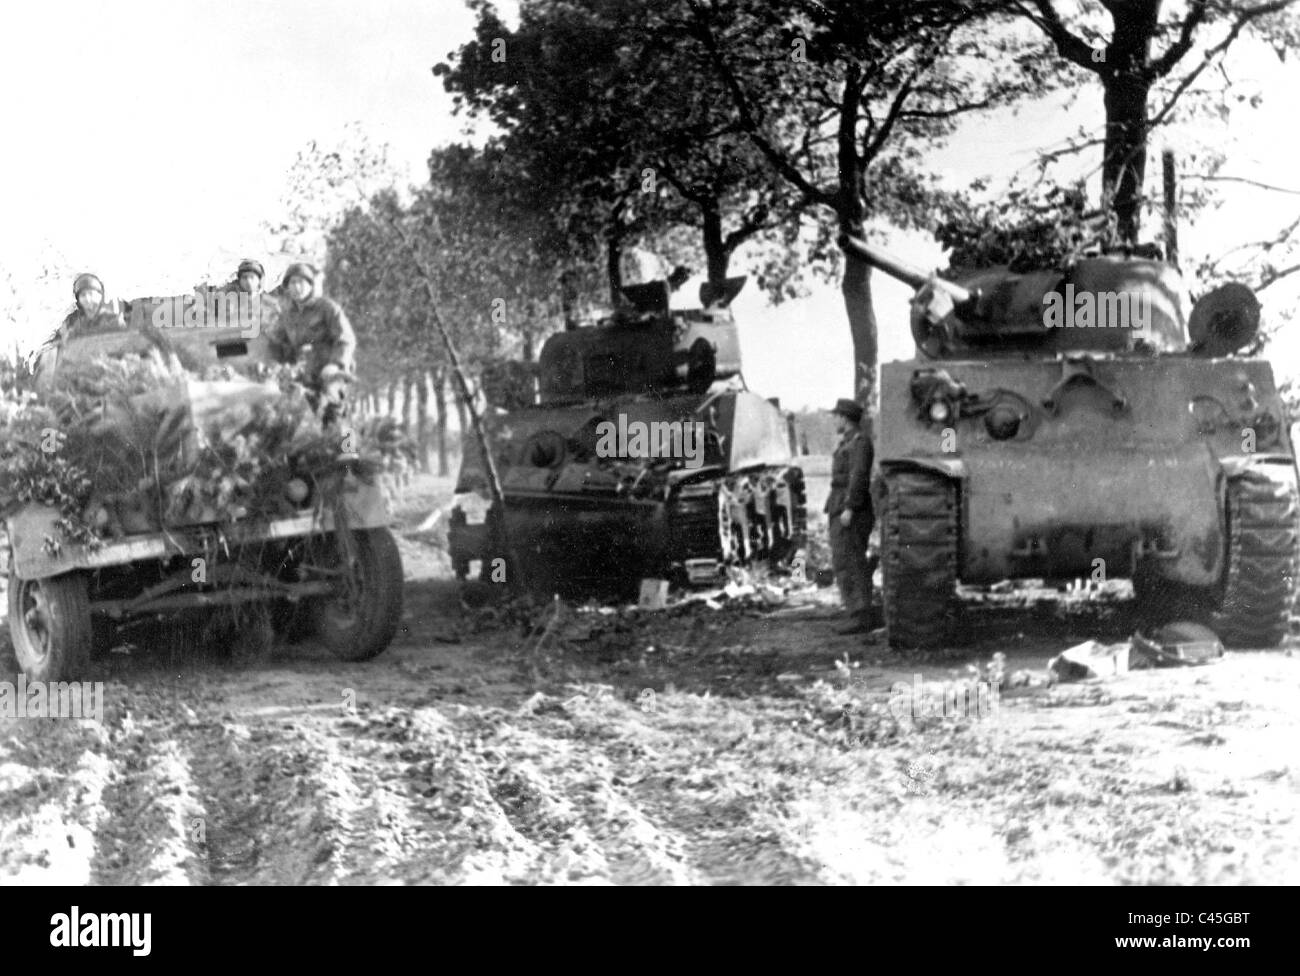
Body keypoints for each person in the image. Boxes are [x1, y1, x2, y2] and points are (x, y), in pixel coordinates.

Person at [263, 262, 356, 420]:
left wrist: (335, 364)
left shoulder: (327, 308)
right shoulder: (287, 316)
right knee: (284, 416)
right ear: (287, 287)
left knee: (334, 414)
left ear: (310, 284)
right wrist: (272, 365)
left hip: (329, 373)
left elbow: (346, 339)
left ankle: (346, 443)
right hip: (303, 374)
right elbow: (277, 344)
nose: (297, 287)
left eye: (301, 282)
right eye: (292, 282)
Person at [824, 397, 876, 635]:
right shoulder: (849, 441)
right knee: (843, 560)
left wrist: (850, 508)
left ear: (845, 418)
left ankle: (861, 614)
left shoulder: (859, 442)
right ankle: (855, 610)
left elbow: (858, 476)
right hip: (840, 505)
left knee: (852, 561)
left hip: (850, 509)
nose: (834, 419)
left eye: (836, 416)